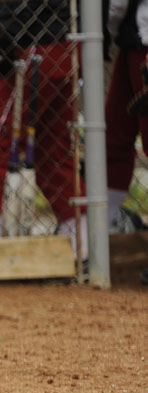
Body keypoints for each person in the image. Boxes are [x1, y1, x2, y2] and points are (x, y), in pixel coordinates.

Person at [0, 1, 87, 255]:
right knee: (53, 148)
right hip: (64, 39)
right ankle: (83, 245)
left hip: (29, 42)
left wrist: (3, 42)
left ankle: (1, 244)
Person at [105, 0, 148, 231]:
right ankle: (103, 228)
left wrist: (102, 29)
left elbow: (116, 6)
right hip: (134, 40)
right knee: (114, 135)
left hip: (142, 39)